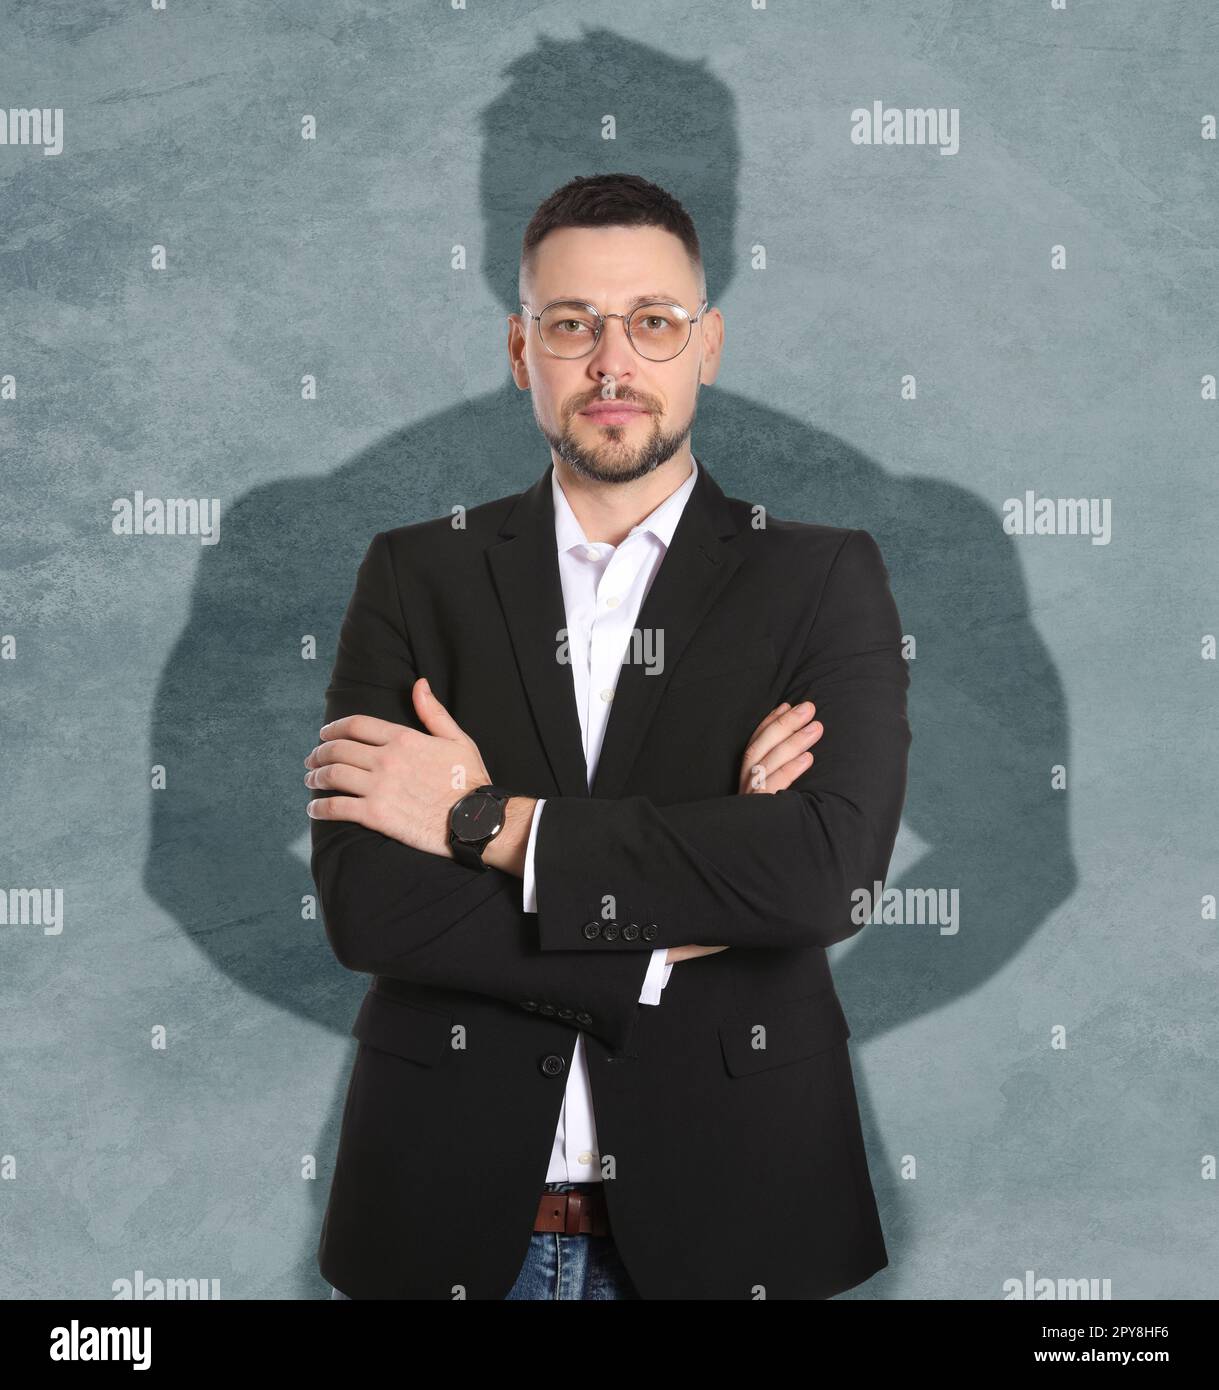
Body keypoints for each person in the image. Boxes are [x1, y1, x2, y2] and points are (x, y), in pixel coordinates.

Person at [308, 173, 911, 1300]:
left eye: (653, 322)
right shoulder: (414, 571)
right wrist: (661, 925)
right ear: (519, 346)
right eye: (571, 323)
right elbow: (367, 904)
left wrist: (480, 822)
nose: (611, 362)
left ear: (708, 344)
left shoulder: (820, 575)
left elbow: (820, 878)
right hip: (444, 1211)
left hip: (741, 1208)